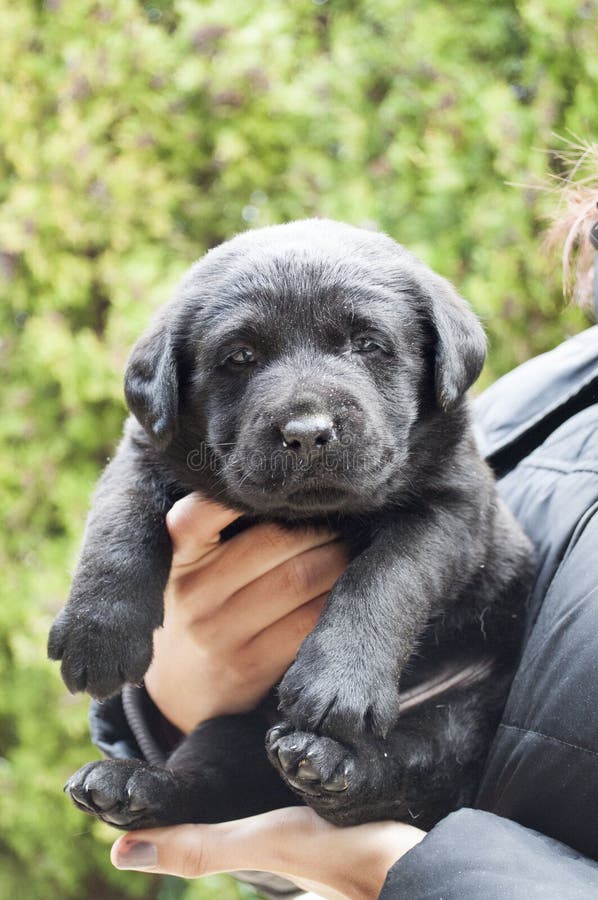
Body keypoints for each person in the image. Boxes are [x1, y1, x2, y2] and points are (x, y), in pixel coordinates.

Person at [91, 185, 598, 898]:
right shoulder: (548, 395)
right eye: (239, 359)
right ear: (172, 384)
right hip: (278, 732)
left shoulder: (447, 431)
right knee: (239, 758)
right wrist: (168, 694)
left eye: (366, 346)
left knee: (438, 736)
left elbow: (449, 514)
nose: (305, 417)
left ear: (434, 364)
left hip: (440, 705)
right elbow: (139, 470)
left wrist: (404, 874)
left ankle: (357, 786)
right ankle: (178, 790)